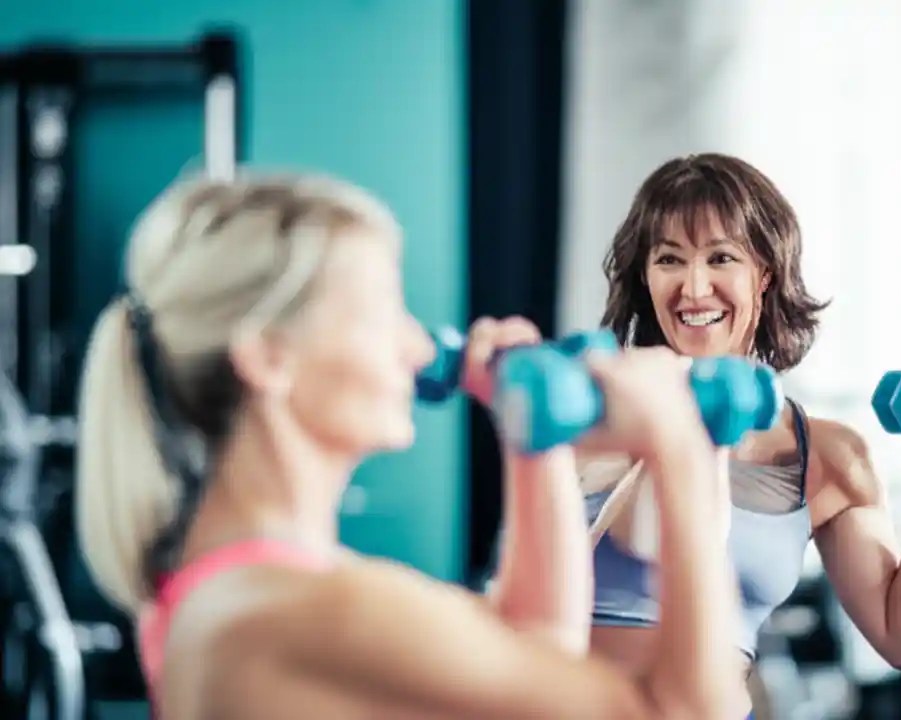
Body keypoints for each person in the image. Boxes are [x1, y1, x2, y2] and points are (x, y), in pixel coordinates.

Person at [74, 172, 745, 719]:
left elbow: (536, 651)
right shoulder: (299, 613)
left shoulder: (248, 590)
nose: (418, 346)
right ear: (270, 357)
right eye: (380, 312)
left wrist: (531, 440)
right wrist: (678, 443)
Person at [585, 152, 901, 717]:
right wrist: (670, 416)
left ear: (764, 274)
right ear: (645, 277)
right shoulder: (600, 407)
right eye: (669, 260)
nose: (694, 288)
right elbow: (639, 539)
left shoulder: (826, 456)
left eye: (721, 258)